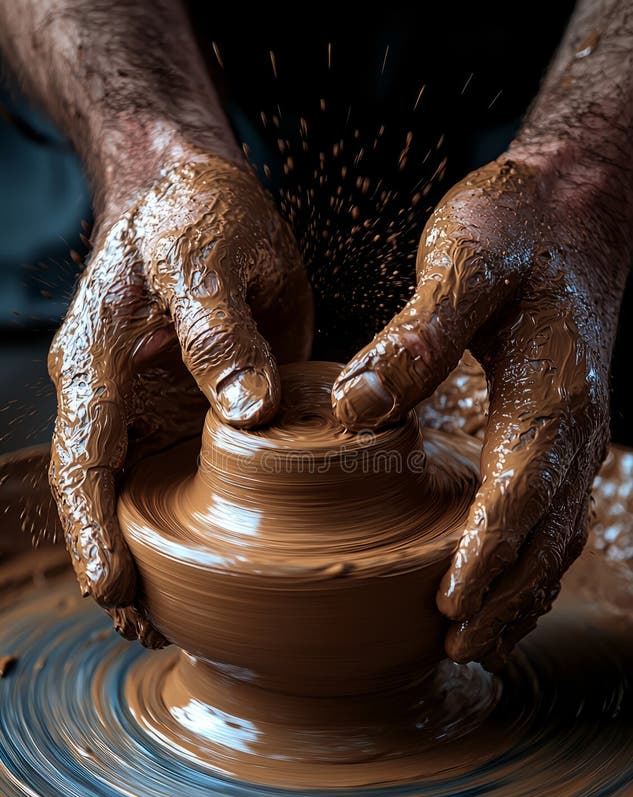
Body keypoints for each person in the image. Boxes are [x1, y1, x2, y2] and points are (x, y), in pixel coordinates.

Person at [0, 0, 631, 667]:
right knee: (109, 399)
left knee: (550, 452)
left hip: (552, 122)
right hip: (125, 81)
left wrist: (582, 182)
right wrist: (147, 147)